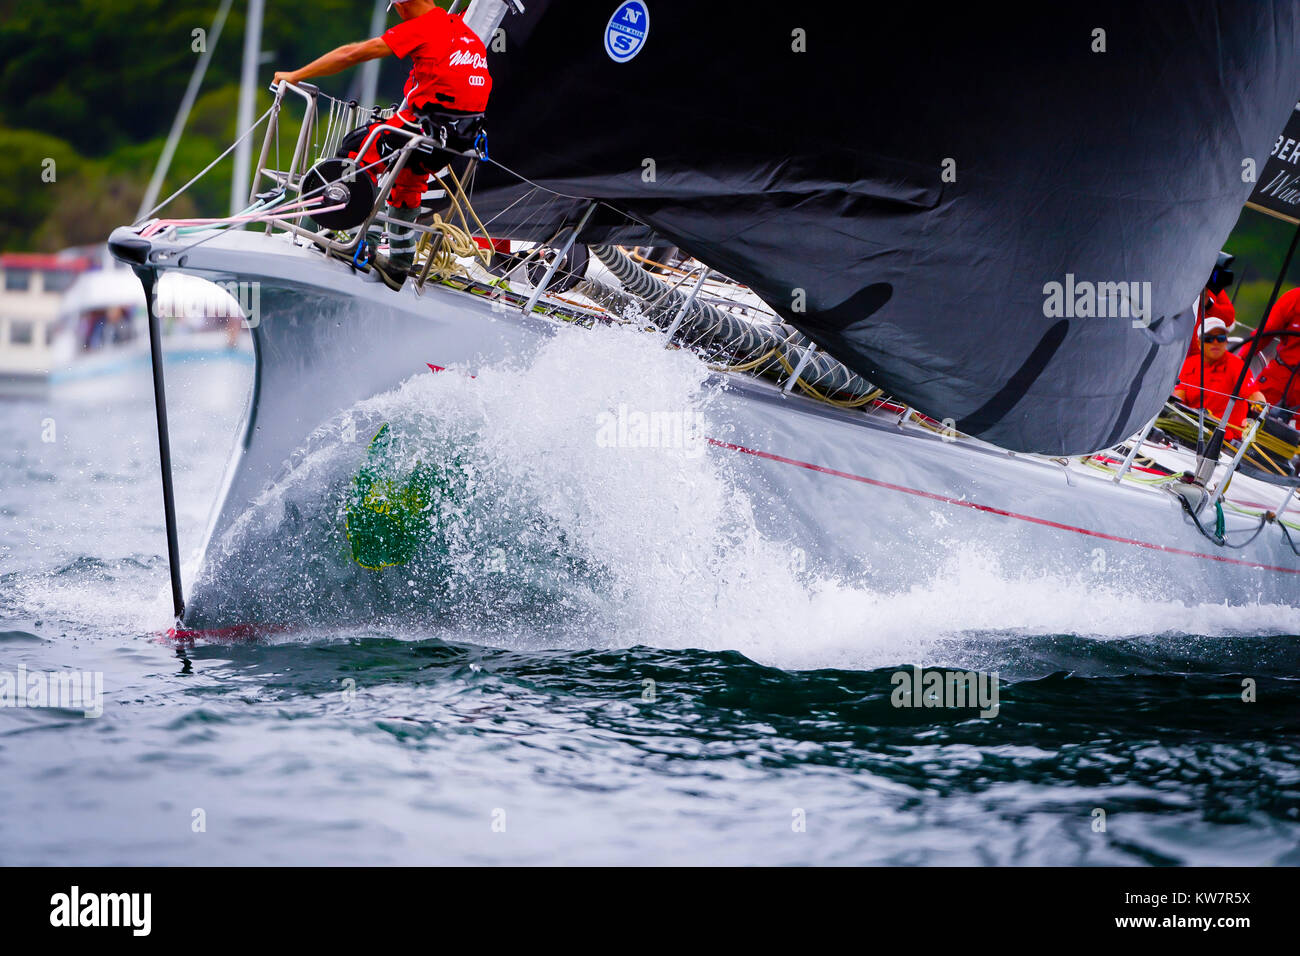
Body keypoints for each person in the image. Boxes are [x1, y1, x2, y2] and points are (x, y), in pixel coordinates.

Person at [273, 0, 492, 289]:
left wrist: (295, 75)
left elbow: (351, 54)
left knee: (355, 151)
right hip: (456, 140)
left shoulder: (422, 28)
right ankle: (400, 263)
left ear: (403, 6)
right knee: (408, 181)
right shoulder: (465, 31)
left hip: (426, 128)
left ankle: (347, 239)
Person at [1172, 316, 1264, 437]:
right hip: (1188, 430)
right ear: (1199, 343)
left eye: (1220, 338)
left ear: (1226, 341)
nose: (1215, 343)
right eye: (1209, 339)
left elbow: (1255, 395)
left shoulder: (1237, 365)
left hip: (1225, 440)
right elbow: (1177, 400)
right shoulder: (1189, 364)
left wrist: (1260, 405)